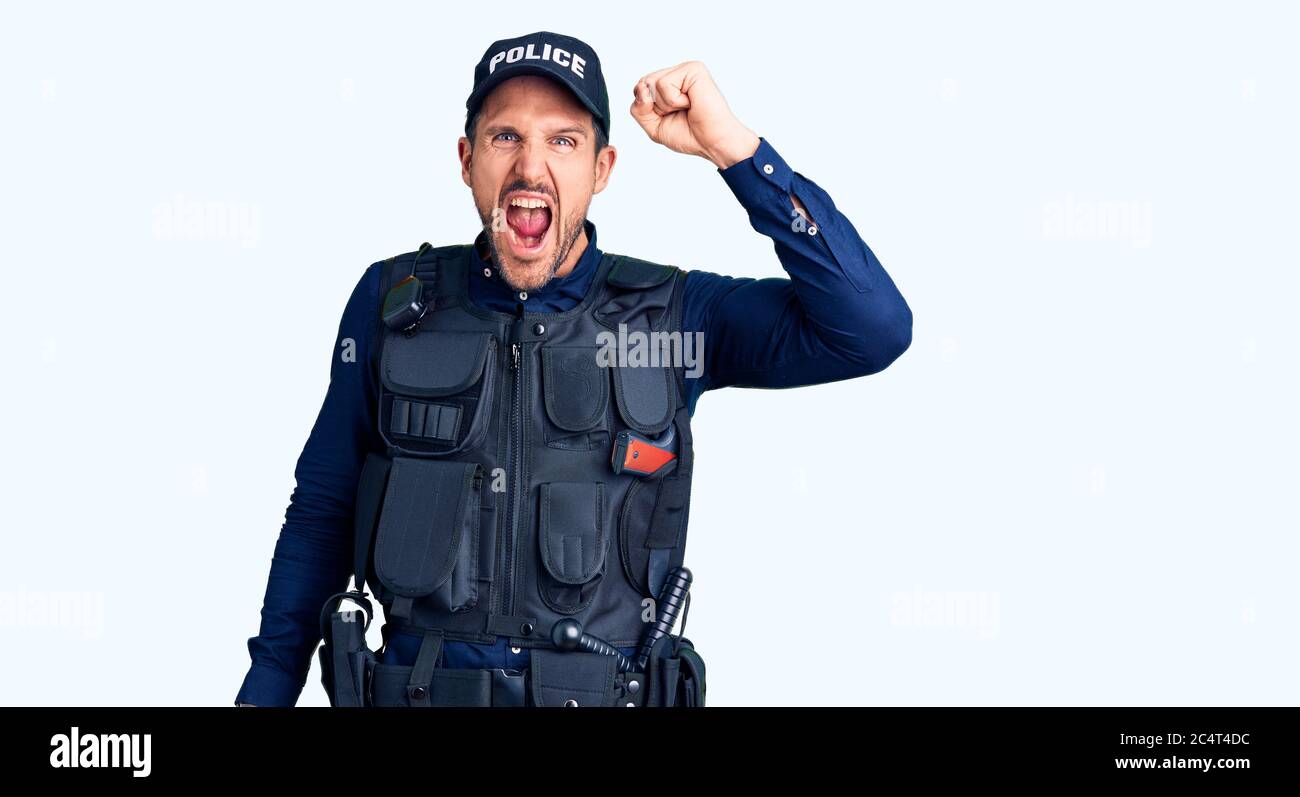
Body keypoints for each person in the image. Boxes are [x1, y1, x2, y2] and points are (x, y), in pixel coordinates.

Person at [236, 30, 912, 707]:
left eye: (563, 141)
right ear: (467, 160)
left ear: (603, 168)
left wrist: (735, 151)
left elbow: (871, 327)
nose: (531, 168)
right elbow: (324, 512)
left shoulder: (671, 319)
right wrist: (264, 691)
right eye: (506, 137)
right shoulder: (394, 302)